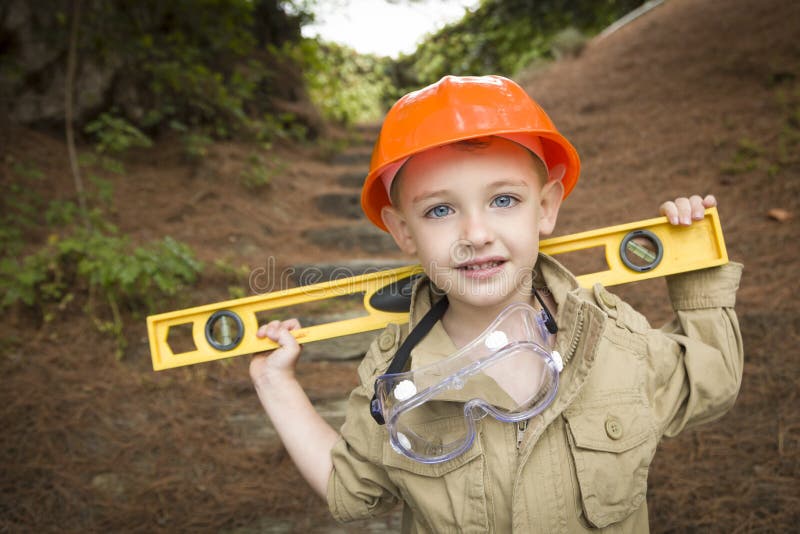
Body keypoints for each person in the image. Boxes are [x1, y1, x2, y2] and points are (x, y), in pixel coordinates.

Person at [249, 75, 743, 532]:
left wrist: (695, 271)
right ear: (404, 230)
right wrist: (276, 384)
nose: (476, 234)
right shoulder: (397, 378)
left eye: (503, 200)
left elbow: (711, 382)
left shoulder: (607, 334)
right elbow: (352, 494)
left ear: (545, 208)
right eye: (440, 210)